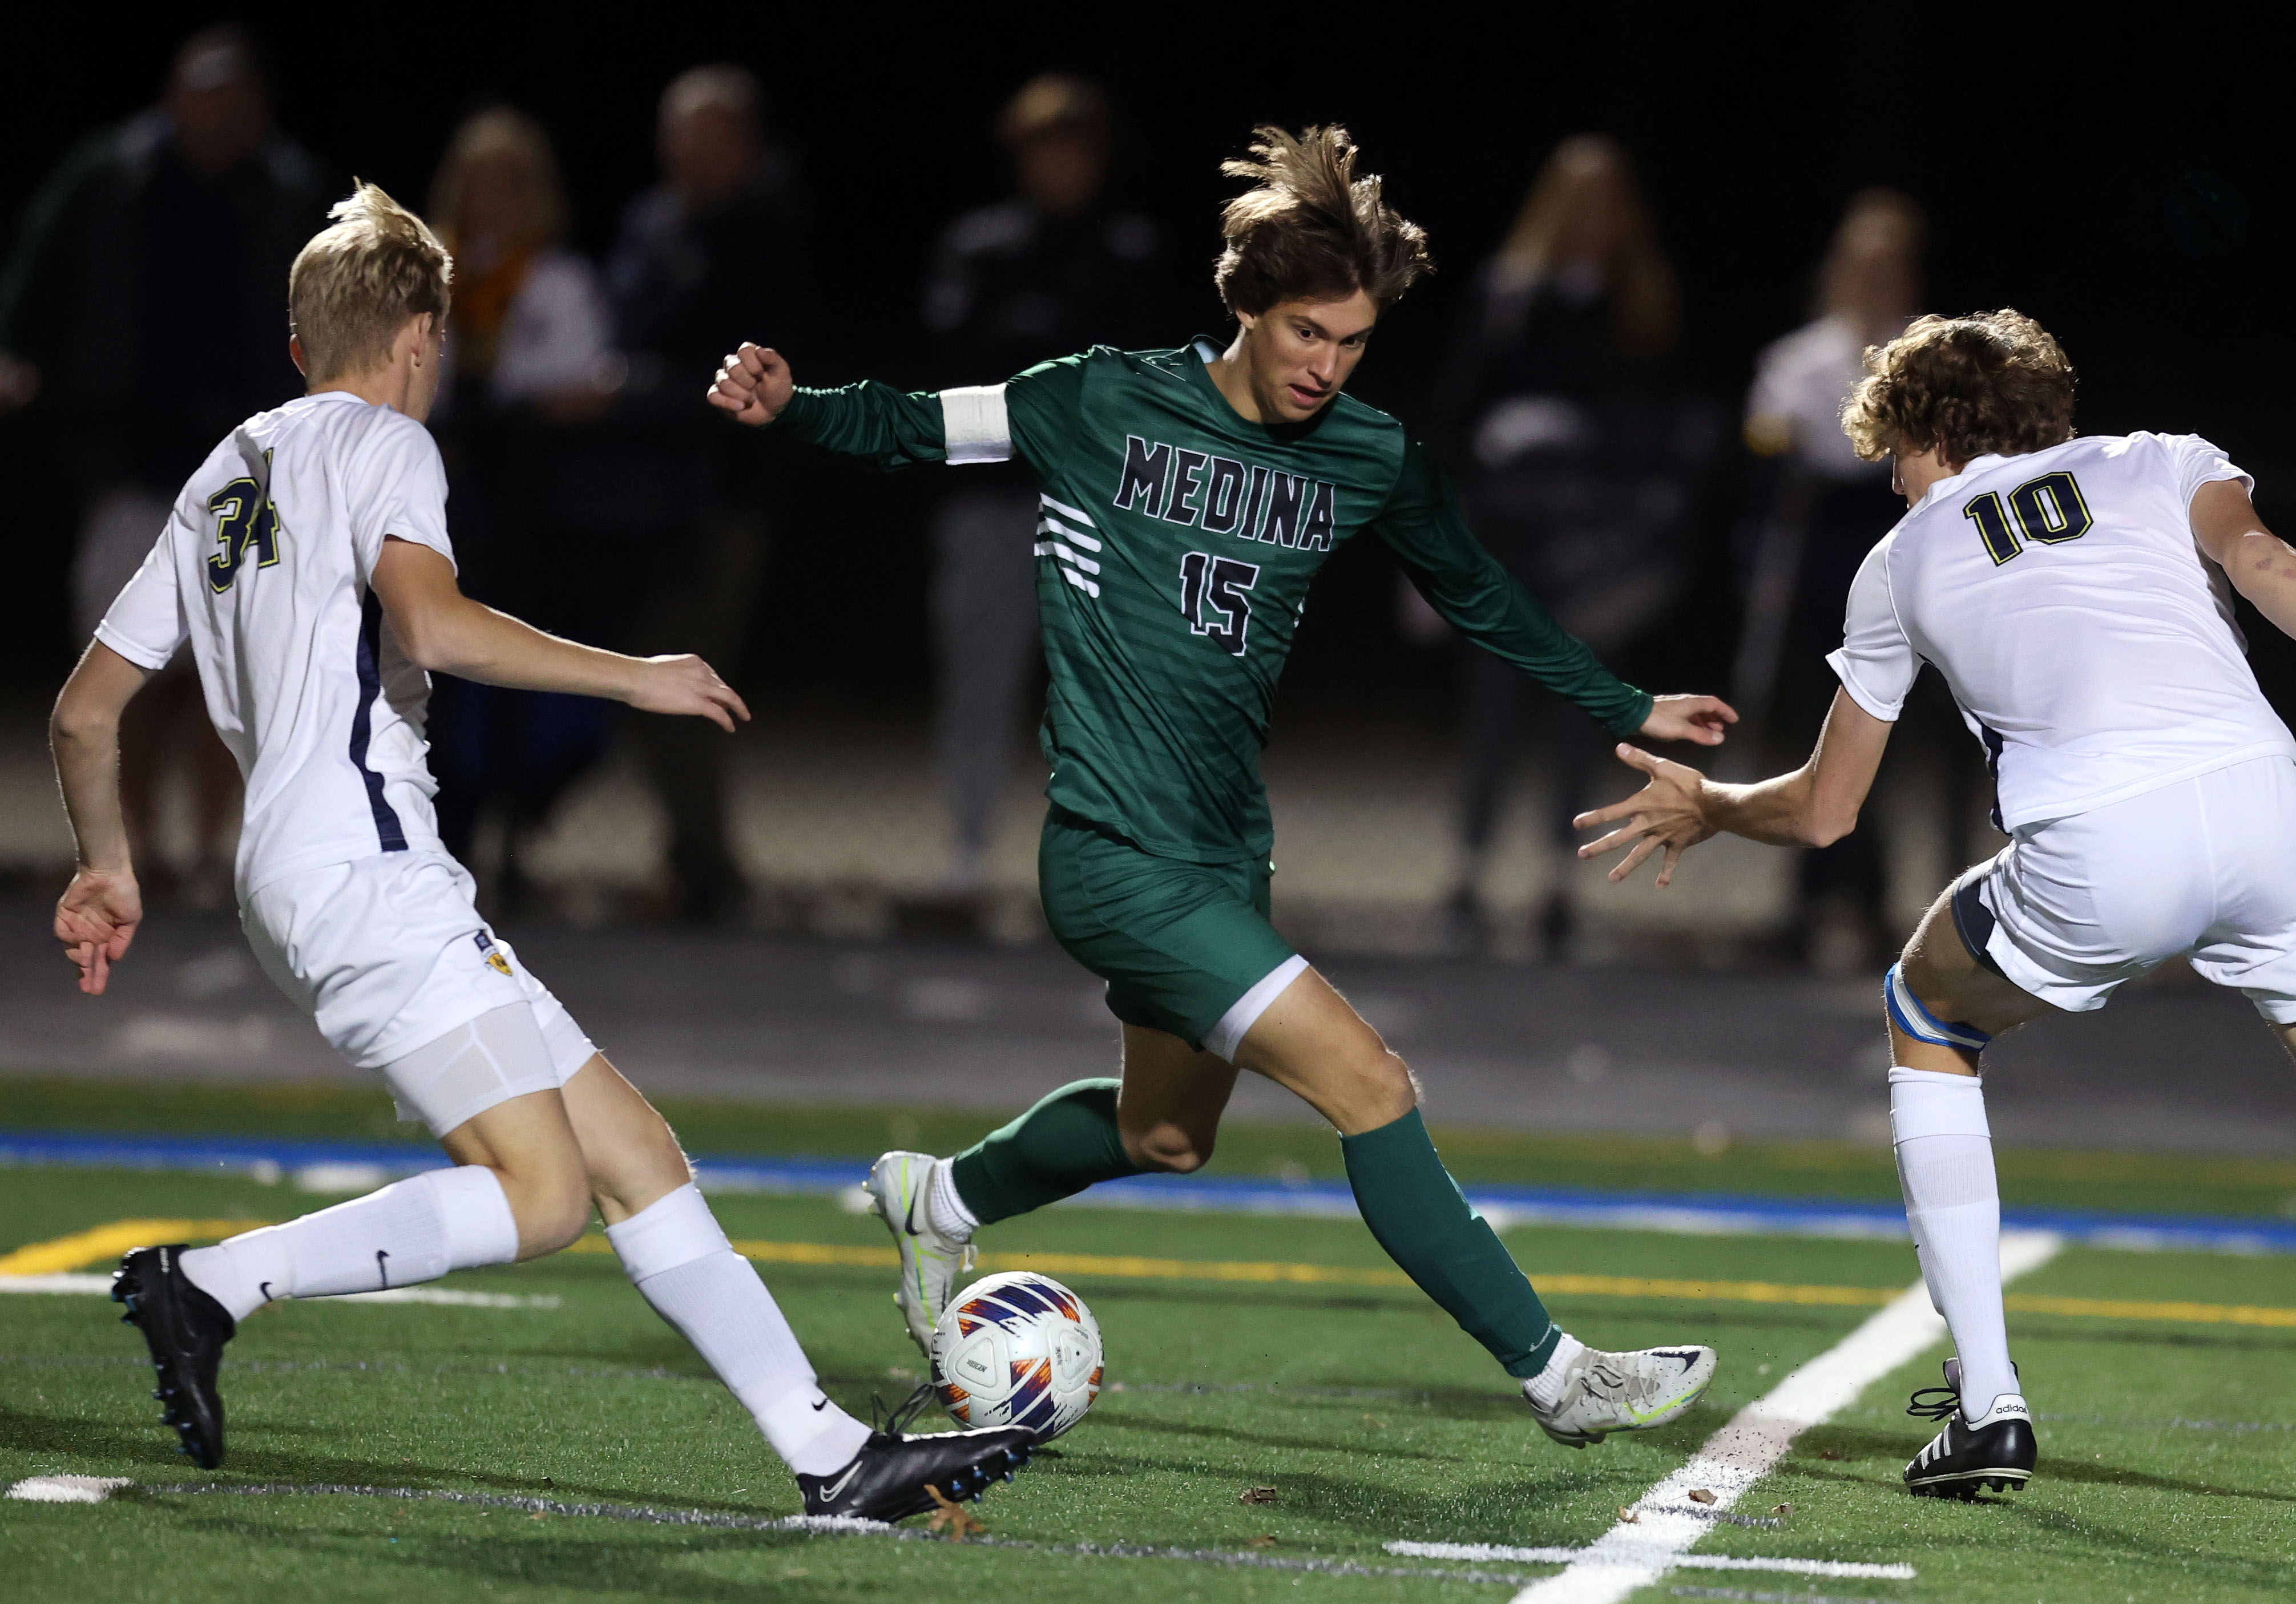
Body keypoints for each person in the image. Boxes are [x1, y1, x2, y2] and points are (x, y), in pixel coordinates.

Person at [709, 126, 1736, 1451]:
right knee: (1369, 1081)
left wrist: (1620, 701)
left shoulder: (1366, 454)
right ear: (1240, 307)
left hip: (1218, 851)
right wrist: (792, 403)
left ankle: (941, 1198)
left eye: (1352, 340)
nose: (1326, 363)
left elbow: (1473, 590)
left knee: (1166, 1134)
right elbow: (921, 426)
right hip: (1110, 854)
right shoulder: (1101, 398)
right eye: (1305, 331)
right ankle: (1558, 1375)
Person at [50, 184, 1033, 1520]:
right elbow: (438, 628)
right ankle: (214, 1281)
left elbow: (85, 709)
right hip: (366, 870)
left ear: (300, 343)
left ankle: (828, 1452)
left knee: (635, 1153)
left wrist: (108, 863)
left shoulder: (225, 468)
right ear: (418, 334)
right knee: (544, 1195)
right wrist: (638, 675)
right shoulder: (387, 443)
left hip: (317, 877)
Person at [1572, 309, 2296, 1498]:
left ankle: (1987, 1399)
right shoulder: (2157, 457)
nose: (1891, 479)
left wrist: (1709, 804)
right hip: (2266, 802)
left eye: (1891, 453)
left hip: (2099, 838)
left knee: (1926, 1003)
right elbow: (2266, 568)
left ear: (1922, 435)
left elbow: (1820, 811)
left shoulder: (1901, 556)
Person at [0, 25, 328, 902]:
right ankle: (141, 842)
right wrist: (18, 349)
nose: (216, 121)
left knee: (231, 674)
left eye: (233, 105)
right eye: (201, 102)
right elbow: (36, 269)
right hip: (130, 462)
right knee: (133, 675)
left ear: (258, 109)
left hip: (248, 466)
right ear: (175, 102)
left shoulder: (292, 191)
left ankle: (215, 854)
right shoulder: (112, 176)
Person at [1425, 136, 1714, 959]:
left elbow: (1663, 421)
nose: (1592, 216)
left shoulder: (1640, 300)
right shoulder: (1508, 292)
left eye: (1608, 200)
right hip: (1510, 543)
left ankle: (1558, 885)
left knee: (1582, 717)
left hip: (1595, 546)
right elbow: (1457, 409)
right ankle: (1468, 877)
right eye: (1577, 198)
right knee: (1490, 708)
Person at [921, 74, 1172, 894]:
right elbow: (954, 372)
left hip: (1104, 509)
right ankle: (968, 850)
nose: (1060, 163)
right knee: (979, 675)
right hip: (992, 500)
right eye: (1043, 147)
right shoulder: (979, 248)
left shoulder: (1132, 253)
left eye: (1076, 146)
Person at [603, 65, 814, 920]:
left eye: (710, 136)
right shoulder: (651, 224)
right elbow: (623, 324)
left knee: (685, 683)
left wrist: (635, 387)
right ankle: (695, 865)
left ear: (745, 143)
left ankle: (710, 874)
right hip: (635, 493)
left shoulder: (768, 232)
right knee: (644, 683)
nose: (689, 153)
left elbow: (758, 373)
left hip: (725, 496)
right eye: (678, 134)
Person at [425, 107, 624, 914]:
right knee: (440, 673)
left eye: (510, 184)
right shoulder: (431, 278)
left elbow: (584, 381)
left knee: (525, 670)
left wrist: (523, 404)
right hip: (446, 503)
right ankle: (448, 842)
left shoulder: (559, 281)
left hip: (536, 509)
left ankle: (514, 837)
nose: (492, 199)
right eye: (479, 183)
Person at [1738, 191, 1928, 969]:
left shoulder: (1935, 350)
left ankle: (1865, 903)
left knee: (1887, 737)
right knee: (1829, 726)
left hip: (1909, 549)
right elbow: (1769, 440)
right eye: (1864, 262)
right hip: (1825, 550)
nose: (1876, 277)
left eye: (1891, 264)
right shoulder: (1801, 356)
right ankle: (1824, 901)